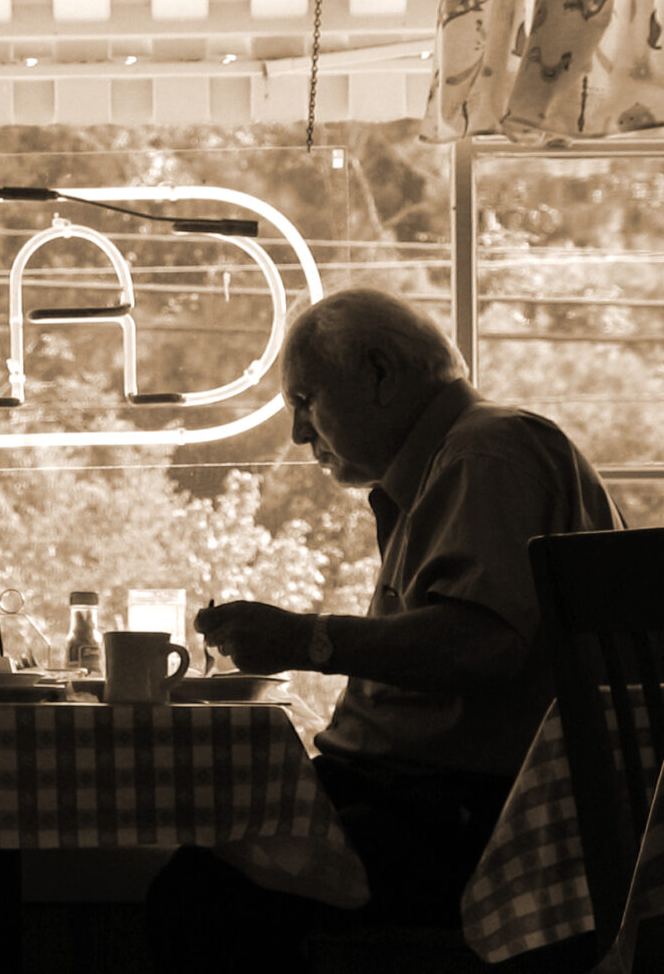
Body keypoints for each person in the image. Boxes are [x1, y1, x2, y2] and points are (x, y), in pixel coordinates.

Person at [145, 288, 622, 972]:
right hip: (429, 800)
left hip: (463, 818)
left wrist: (309, 639)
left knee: (198, 898)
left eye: (305, 402)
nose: (299, 435)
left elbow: (483, 643)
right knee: (210, 863)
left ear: (380, 373)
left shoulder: (486, 455)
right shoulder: (453, 464)